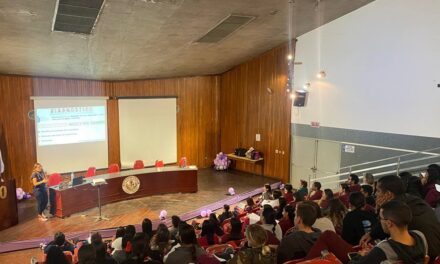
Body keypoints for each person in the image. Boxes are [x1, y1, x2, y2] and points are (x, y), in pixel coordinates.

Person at [304, 200, 428, 264]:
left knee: (328, 237)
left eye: (381, 218)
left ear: (389, 223)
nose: (379, 221)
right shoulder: (420, 236)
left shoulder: (383, 250)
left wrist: (361, 255)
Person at [360, 175, 440, 259]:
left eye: (378, 191)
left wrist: (380, 208)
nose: (375, 194)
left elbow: (388, 224)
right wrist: (372, 234)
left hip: (422, 255)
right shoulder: (411, 199)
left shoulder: (398, 209)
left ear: (388, 194)